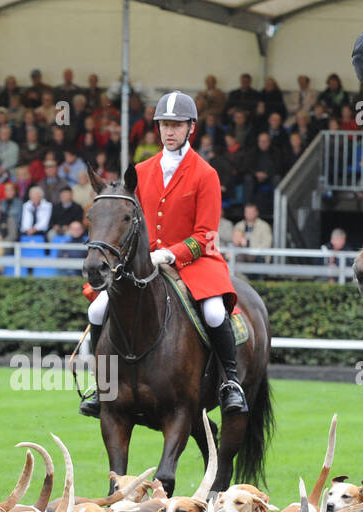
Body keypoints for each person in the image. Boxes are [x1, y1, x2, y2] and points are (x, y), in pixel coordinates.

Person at [78, 90, 247, 417]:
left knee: (213, 312)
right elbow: (129, 219)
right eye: (164, 125)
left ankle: (230, 382)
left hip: (194, 261)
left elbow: (206, 235)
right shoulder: (140, 171)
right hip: (144, 262)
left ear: (190, 128)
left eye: (176, 125)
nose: (169, 132)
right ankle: (103, 386)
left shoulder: (205, 174)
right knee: (97, 311)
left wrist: (171, 254)